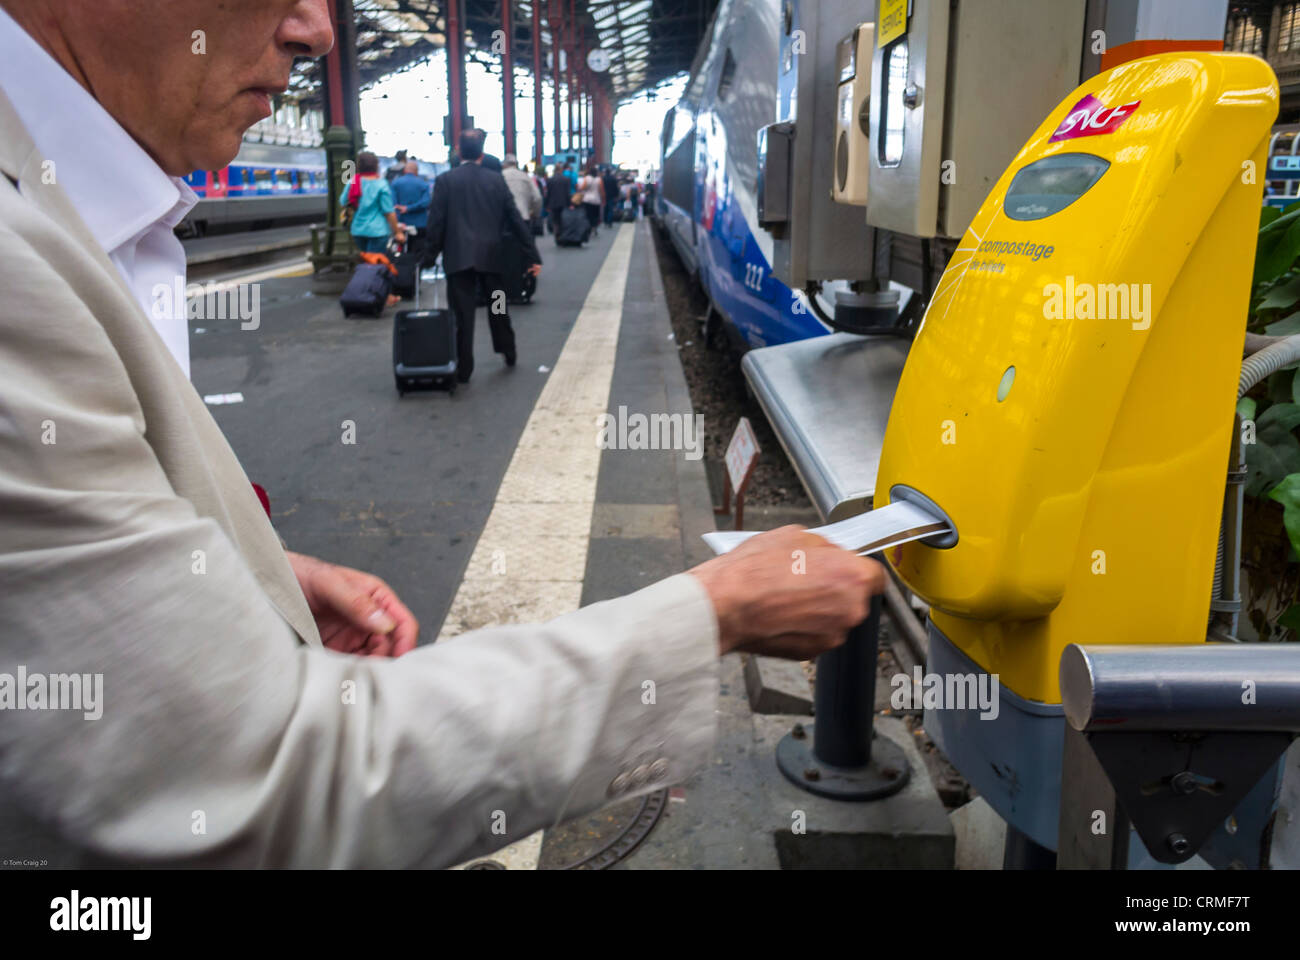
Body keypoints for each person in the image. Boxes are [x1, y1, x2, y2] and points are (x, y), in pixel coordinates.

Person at [0, 0, 883, 869]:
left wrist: (241, 568)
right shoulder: (19, 274)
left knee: (465, 330)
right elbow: (256, 777)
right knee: (484, 330)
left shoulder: (83, 221)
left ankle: (464, 359)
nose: (318, 29)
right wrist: (714, 609)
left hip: (457, 270)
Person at [424, 129, 540, 381]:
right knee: (498, 307)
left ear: (458, 150)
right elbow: (515, 219)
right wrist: (532, 255)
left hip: (458, 261)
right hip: (492, 260)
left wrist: (429, 256)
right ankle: (507, 349)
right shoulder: (496, 180)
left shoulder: (446, 181)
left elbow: (436, 223)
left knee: (463, 316)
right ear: (482, 152)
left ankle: (464, 368)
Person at [340, 151, 404, 253]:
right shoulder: (381, 184)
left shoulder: (353, 181)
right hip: (378, 231)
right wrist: (397, 232)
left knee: (366, 261)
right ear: (376, 166)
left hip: (358, 230)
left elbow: (343, 201)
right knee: (374, 265)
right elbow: (388, 211)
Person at [390, 159, 431, 258]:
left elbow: (392, 204)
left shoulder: (395, 184)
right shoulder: (424, 185)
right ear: (417, 172)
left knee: (399, 254)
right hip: (419, 224)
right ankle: (415, 270)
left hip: (401, 224)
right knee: (418, 253)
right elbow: (426, 202)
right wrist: (409, 208)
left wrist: (402, 209)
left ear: (404, 171)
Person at [502, 153, 542, 225]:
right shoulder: (525, 177)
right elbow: (537, 197)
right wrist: (535, 214)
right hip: (524, 216)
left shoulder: (500, 176)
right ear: (516, 164)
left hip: (506, 218)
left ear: (504, 164)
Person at [577, 163, 605, 238]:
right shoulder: (599, 179)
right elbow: (601, 191)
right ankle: (594, 227)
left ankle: (588, 228)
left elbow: (582, 188)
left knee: (588, 215)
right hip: (596, 200)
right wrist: (603, 199)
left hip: (587, 199)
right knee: (596, 215)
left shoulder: (587, 178)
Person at [545, 162, 574, 235]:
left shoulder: (550, 180)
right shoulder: (566, 179)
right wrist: (570, 204)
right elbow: (567, 193)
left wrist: (546, 205)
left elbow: (548, 194)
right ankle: (561, 233)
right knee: (562, 219)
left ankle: (556, 232)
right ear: (561, 170)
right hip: (563, 202)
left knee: (555, 219)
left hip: (553, 203)